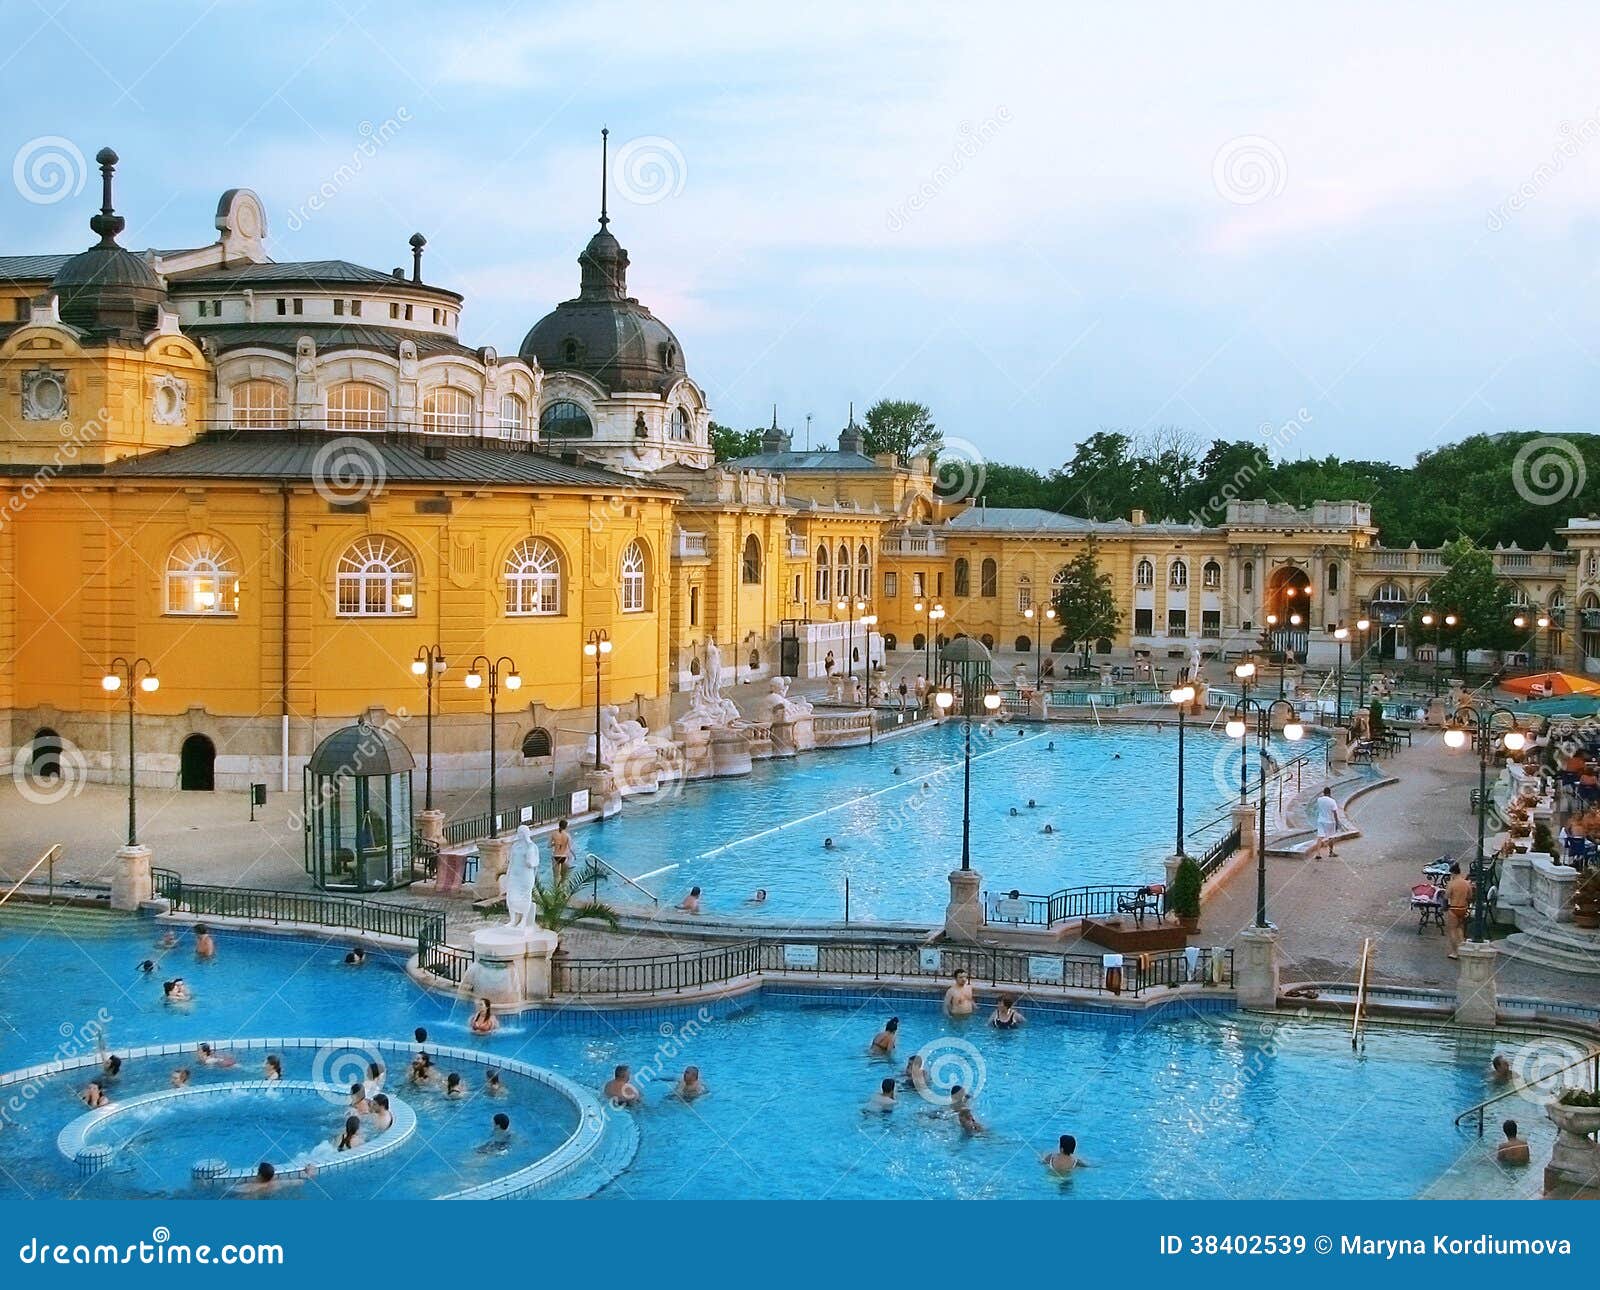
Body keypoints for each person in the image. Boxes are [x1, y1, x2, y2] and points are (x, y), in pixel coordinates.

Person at [1444, 862, 1475, 960]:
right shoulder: (1466, 883)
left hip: (1454, 908)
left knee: (1452, 930)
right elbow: (1470, 896)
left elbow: (1446, 896)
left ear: (1452, 873)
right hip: (1463, 908)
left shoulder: (1452, 884)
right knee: (1460, 928)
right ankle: (1463, 951)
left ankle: (1455, 952)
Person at [234, 1161, 316, 1195]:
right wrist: (309, 1170)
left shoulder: (250, 1187)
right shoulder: (278, 1183)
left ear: (259, 1174)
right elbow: (304, 1180)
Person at [1310, 787, 1347, 860]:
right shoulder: (1332, 801)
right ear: (1330, 793)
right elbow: (1335, 812)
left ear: (1323, 792)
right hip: (1330, 821)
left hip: (1320, 820)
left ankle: (1318, 853)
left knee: (1320, 837)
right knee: (1331, 837)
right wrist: (1337, 822)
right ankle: (1331, 852)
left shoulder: (1319, 800)